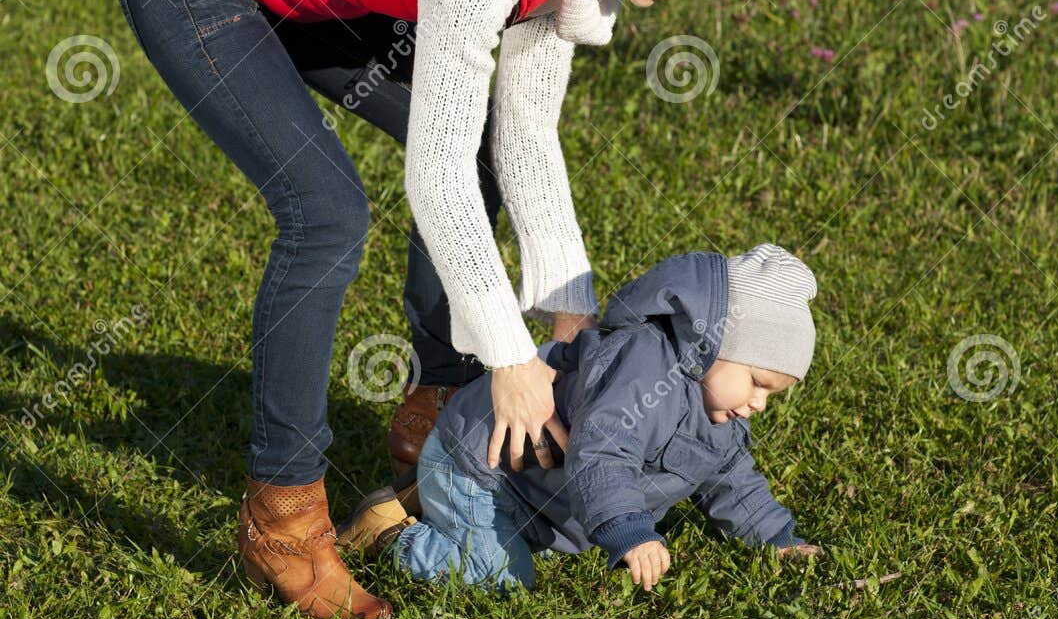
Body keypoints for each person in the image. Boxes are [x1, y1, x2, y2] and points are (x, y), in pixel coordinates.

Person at [114, 0, 772, 619]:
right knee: (326, 215)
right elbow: (436, 171)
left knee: (490, 147)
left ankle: (439, 420)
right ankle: (281, 518)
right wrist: (512, 359)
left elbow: (525, 138)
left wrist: (571, 321)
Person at [341, 243, 820, 593]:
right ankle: (391, 536)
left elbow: (732, 480)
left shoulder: (720, 415)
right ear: (713, 344)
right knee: (502, 575)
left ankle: (427, 498)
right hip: (482, 471)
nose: (758, 403)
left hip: (530, 501)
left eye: (770, 394)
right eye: (756, 382)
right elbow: (602, 455)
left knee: (517, 552)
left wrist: (777, 539)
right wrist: (630, 530)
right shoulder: (642, 371)